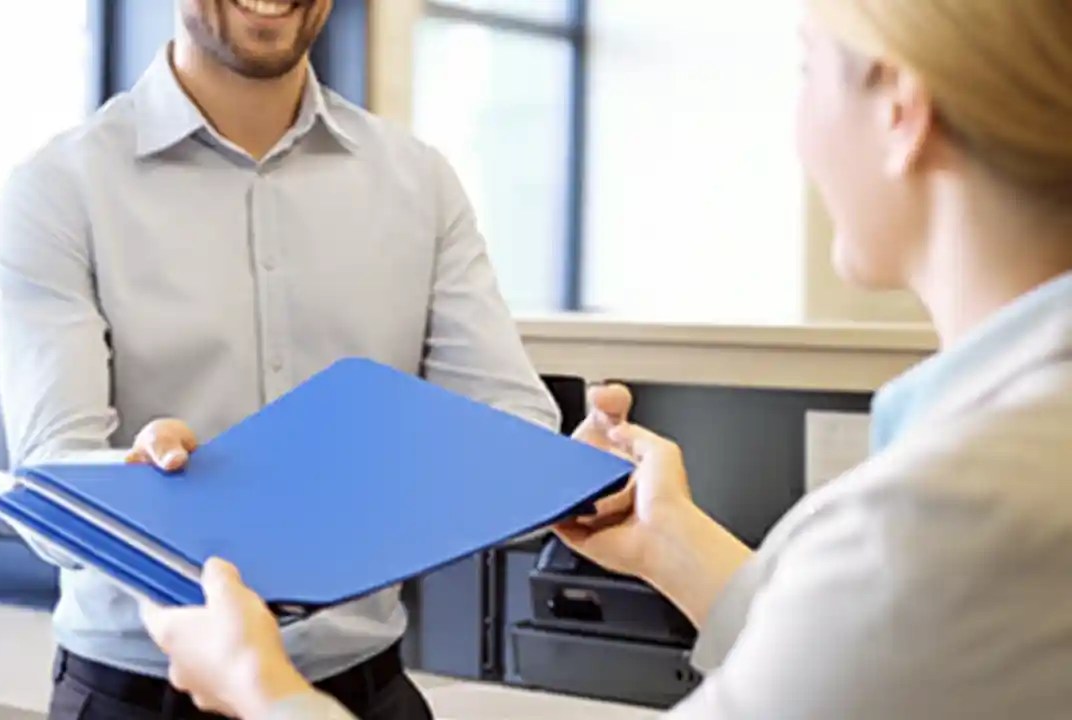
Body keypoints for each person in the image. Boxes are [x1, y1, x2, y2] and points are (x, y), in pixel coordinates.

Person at [139, 1, 1072, 718]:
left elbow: (889, 606)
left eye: (806, 71)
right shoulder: (998, 468)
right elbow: (869, 649)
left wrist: (262, 689)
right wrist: (675, 546)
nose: (798, 124)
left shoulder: (947, 514)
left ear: (902, 110)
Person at [0, 0, 561, 717]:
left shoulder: (419, 180)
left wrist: (572, 477)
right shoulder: (58, 187)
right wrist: (139, 487)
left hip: (364, 687)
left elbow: (515, 424)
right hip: (138, 695)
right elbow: (52, 486)